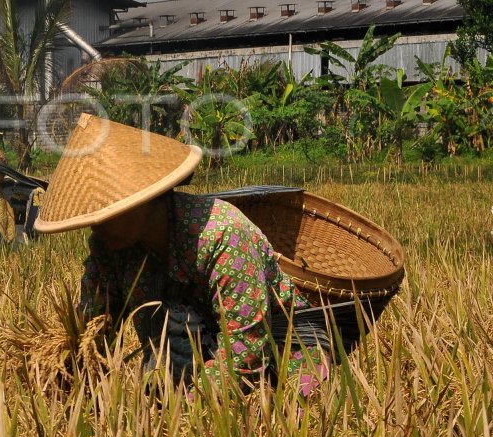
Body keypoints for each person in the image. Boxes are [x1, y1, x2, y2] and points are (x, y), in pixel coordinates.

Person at [34, 114, 331, 396]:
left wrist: (187, 413)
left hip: (279, 352)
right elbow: (93, 328)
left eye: (108, 211)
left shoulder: (222, 234)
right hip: (195, 355)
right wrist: (60, 370)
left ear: (146, 198)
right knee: (165, 322)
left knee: (286, 414)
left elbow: (247, 350)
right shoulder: (109, 248)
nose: (97, 225)